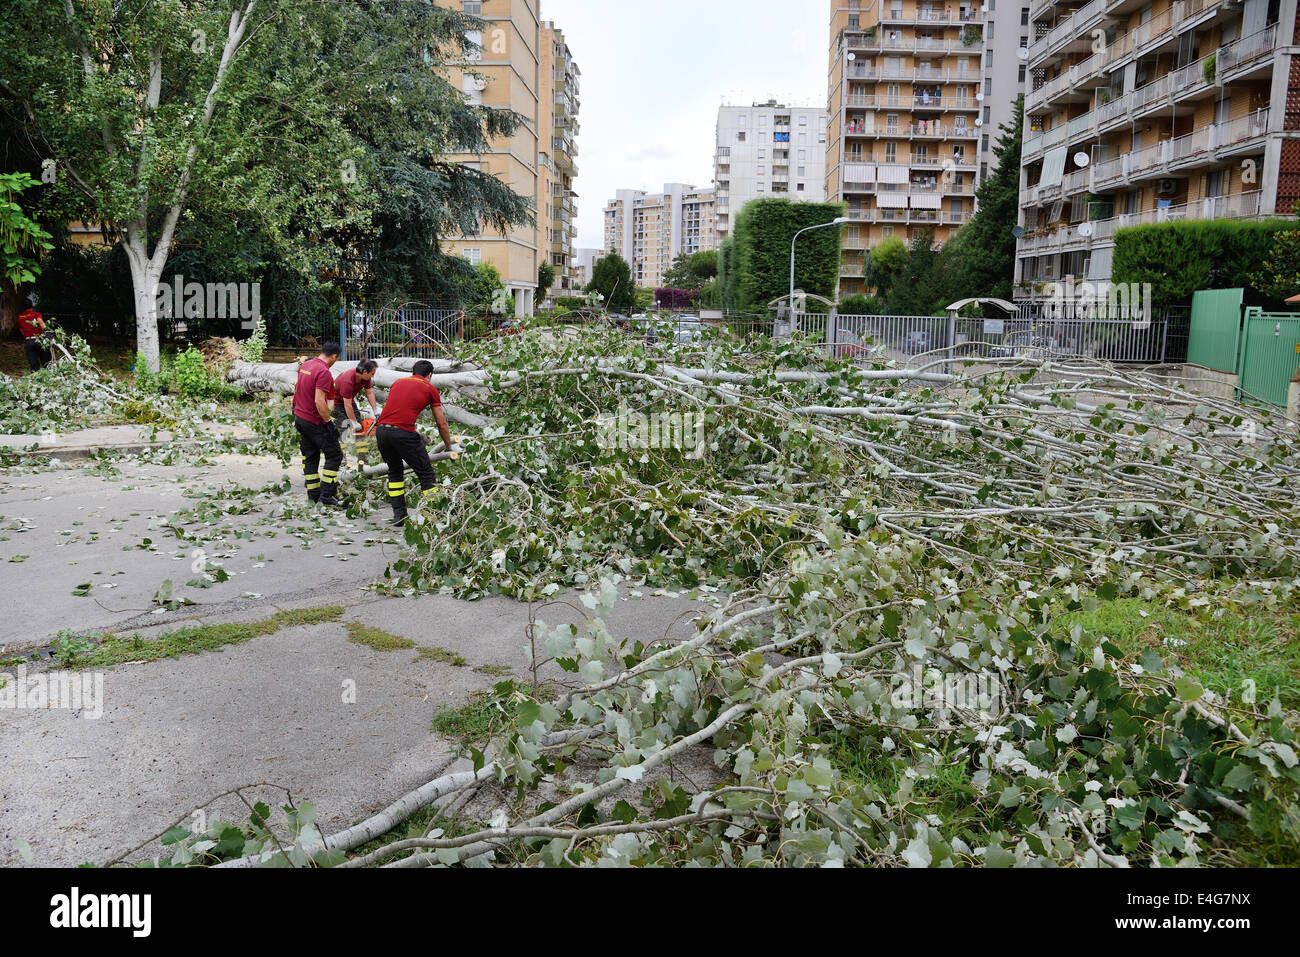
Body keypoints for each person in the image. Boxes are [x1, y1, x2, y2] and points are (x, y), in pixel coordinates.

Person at [375, 360, 455, 526]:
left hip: (382, 431)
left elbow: (396, 413)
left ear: (413, 372)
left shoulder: (398, 383)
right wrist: (449, 447)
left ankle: (399, 516)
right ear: (430, 375)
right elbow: (441, 423)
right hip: (402, 433)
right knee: (426, 473)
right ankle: (435, 516)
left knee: (395, 471)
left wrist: (416, 434)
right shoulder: (430, 388)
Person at [292, 342, 344, 507]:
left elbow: (298, 388)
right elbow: (319, 401)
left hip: (300, 416)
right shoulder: (323, 371)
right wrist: (329, 423)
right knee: (335, 455)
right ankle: (327, 496)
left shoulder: (307, 364)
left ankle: (313, 495)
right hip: (313, 420)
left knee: (311, 456)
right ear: (334, 356)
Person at [334, 358, 380, 436]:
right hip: (335, 401)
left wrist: (375, 410)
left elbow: (369, 393)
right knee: (344, 425)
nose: (372, 376)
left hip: (349, 399)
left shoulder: (366, 378)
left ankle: (358, 444)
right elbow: (347, 405)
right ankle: (343, 444)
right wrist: (353, 421)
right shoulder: (348, 380)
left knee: (358, 423)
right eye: (372, 374)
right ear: (365, 372)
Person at [16, 298, 51, 371]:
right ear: (32, 305)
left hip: (29, 342)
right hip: (40, 340)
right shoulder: (36, 314)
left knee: (33, 364)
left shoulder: (20, 318)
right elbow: (41, 324)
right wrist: (48, 333)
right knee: (46, 362)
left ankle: (36, 379)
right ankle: (48, 377)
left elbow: (22, 332)